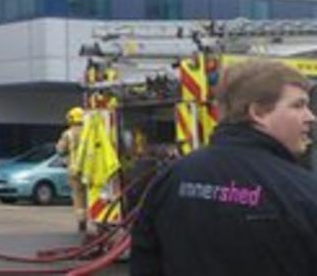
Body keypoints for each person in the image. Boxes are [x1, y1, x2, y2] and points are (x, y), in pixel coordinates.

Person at [131, 59, 317, 275]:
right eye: (298, 105)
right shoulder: (303, 193)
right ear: (257, 113)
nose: (311, 117)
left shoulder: (172, 179)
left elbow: (146, 259)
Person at [56, 106, 86, 232]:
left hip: (75, 170)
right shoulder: (89, 130)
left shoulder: (68, 134)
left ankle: (81, 221)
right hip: (91, 170)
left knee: (78, 197)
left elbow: (60, 150)